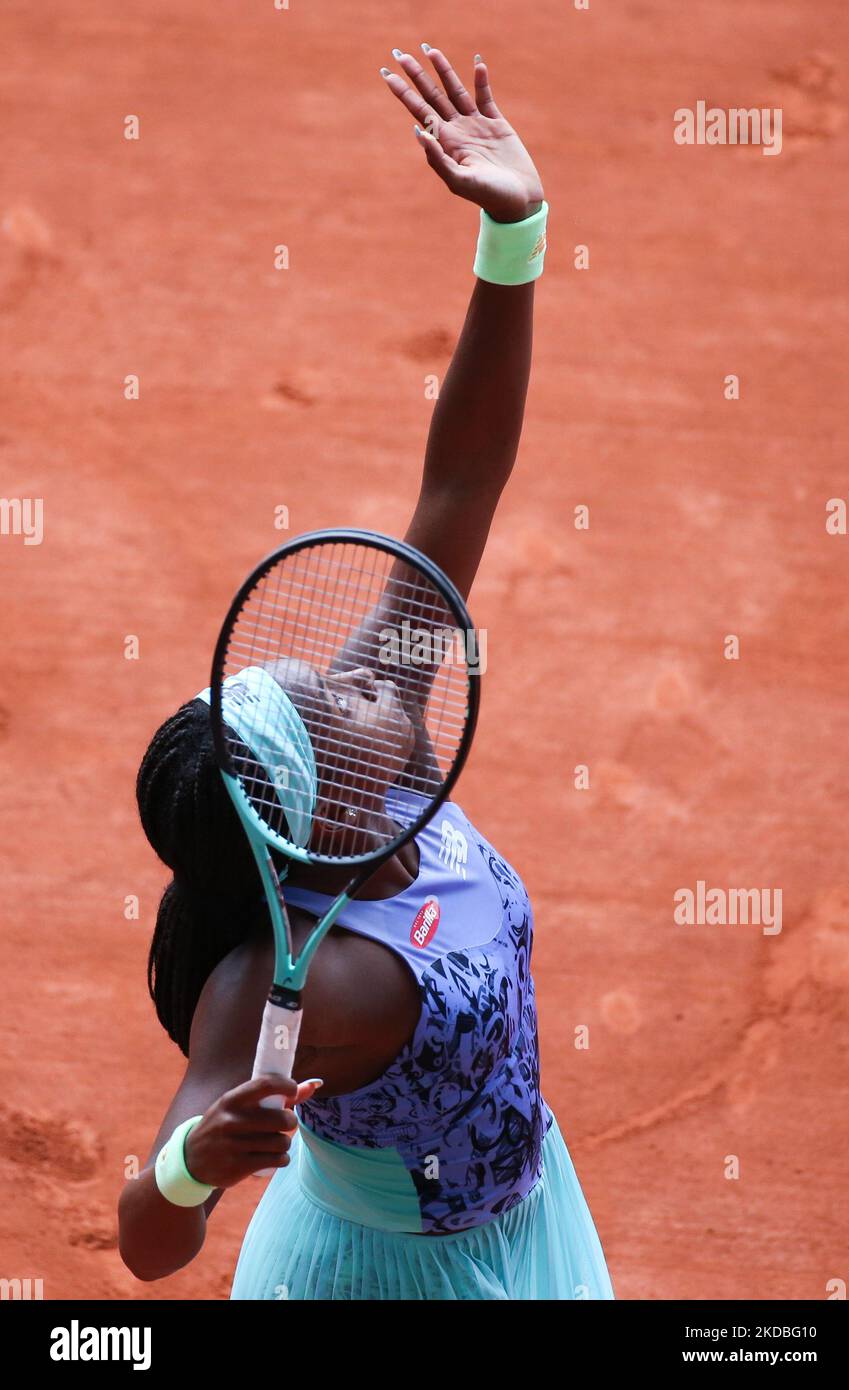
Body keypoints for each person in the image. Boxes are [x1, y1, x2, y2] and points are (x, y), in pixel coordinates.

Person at [118, 42, 614, 1301]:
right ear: (313, 817)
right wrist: (192, 1165)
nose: (353, 681)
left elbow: (461, 481)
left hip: (538, 1219)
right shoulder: (272, 987)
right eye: (326, 706)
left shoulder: (378, 729)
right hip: (390, 1279)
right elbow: (144, 1239)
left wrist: (517, 232)